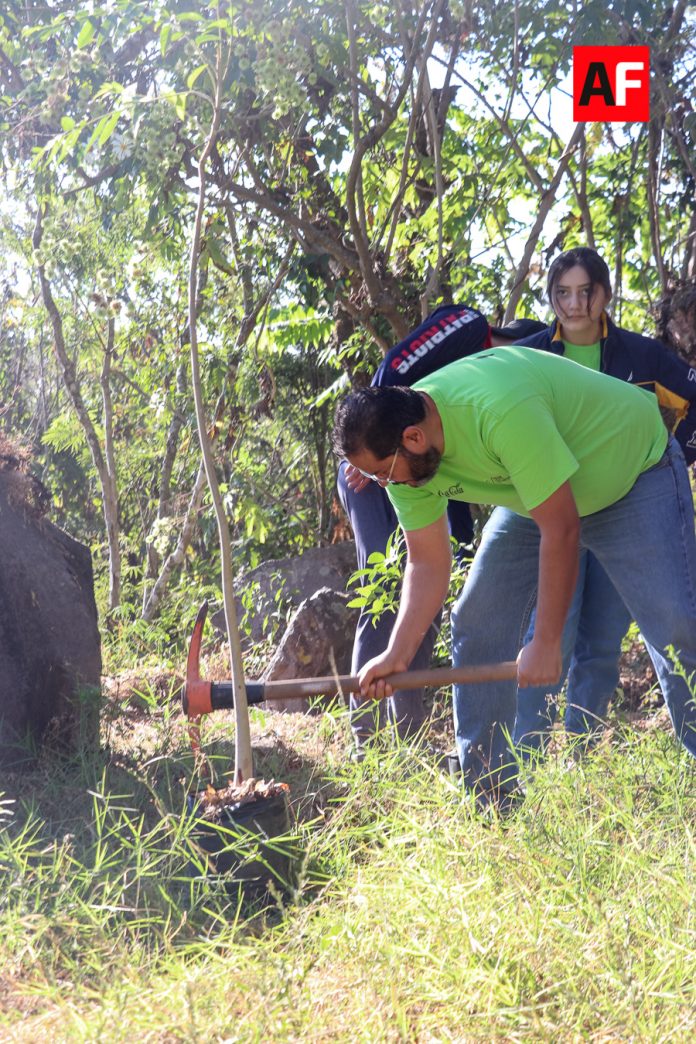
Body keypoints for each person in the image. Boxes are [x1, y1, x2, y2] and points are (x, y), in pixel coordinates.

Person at [332, 345, 696, 809]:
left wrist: (545, 641)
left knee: (676, 630)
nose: (385, 486)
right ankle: (491, 800)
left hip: (632, 474)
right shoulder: (405, 463)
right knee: (477, 623)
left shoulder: (496, 410)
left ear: (414, 438)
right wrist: (397, 655)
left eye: (383, 475)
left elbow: (562, 529)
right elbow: (426, 563)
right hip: (537, 496)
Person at [337, 305, 546, 758]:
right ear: (520, 343)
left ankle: (406, 740)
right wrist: (374, 455)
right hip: (375, 465)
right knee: (383, 588)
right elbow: (396, 366)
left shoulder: (478, 412)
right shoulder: (468, 326)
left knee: (427, 595)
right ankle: (366, 743)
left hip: (427, 471)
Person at [512, 248, 696, 752]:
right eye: (562, 293)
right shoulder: (528, 355)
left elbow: (691, 400)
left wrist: (671, 458)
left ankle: (582, 755)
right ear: (550, 298)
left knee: (601, 644)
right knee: (548, 633)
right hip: (554, 517)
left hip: (626, 512)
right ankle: (524, 758)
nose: (574, 304)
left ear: (606, 296)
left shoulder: (641, 355)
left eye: (585, 291)